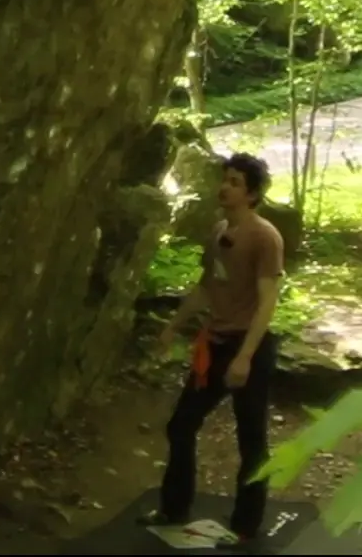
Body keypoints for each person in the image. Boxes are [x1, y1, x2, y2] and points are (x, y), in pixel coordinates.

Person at [139, 152, 284, 553]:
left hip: (247, 347)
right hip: (215, 343)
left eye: (236, 182)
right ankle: (173, 509)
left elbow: (268, 300)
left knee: (251, 439)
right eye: (225, 179)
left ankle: (245, 526)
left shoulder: (265, 236)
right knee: (181, 426)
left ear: (252, 194)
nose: (225, 186)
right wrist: (173, 326)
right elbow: (206, 286)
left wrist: (245, 357)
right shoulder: (219, 230)